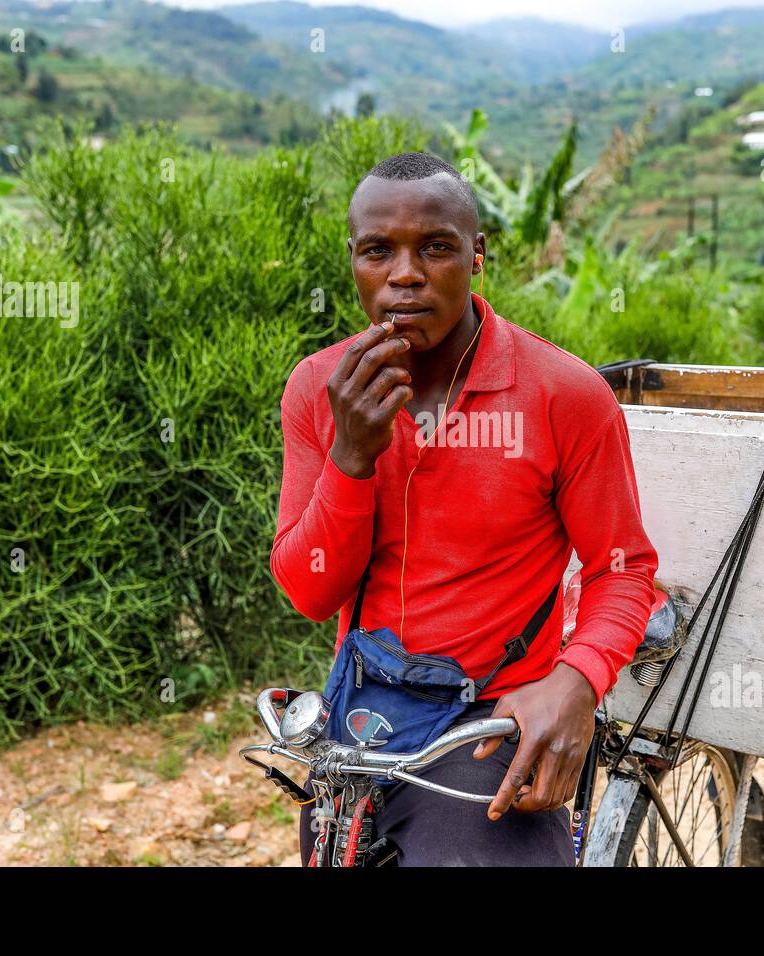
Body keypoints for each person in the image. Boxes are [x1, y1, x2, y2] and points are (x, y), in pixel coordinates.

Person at [270, 151, 659, 866]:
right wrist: (352, 457)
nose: (406, 274)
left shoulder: (562, 395)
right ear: (353, 259)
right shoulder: (319, 388)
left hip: (495, 723)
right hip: (363, 716)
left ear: (477, 255)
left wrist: (576, 682)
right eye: (378, 251)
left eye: (437, 247)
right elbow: (310, 589)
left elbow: (623, 568)